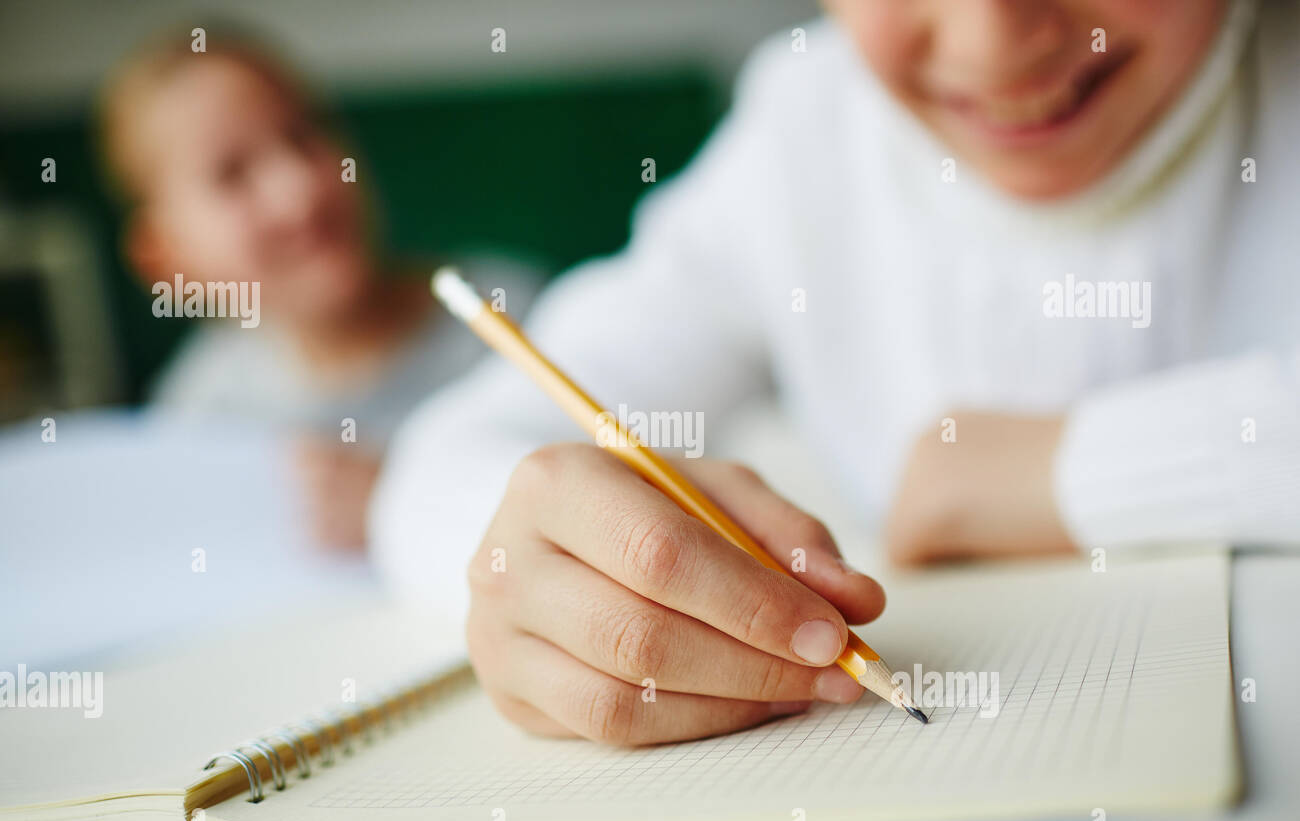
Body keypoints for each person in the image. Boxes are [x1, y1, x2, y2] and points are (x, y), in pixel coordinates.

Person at [371, 0, 1299, 744]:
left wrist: (1055, 472)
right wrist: (549, 551)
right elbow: (440, 467)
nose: (991, 44)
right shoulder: (802, 131)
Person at [96, 26, 539, 549]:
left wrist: (408, 500)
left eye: (303, 136)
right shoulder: (198, 420)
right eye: (232, 174)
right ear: (164, 258)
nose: (299, 189)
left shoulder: (516, 322)